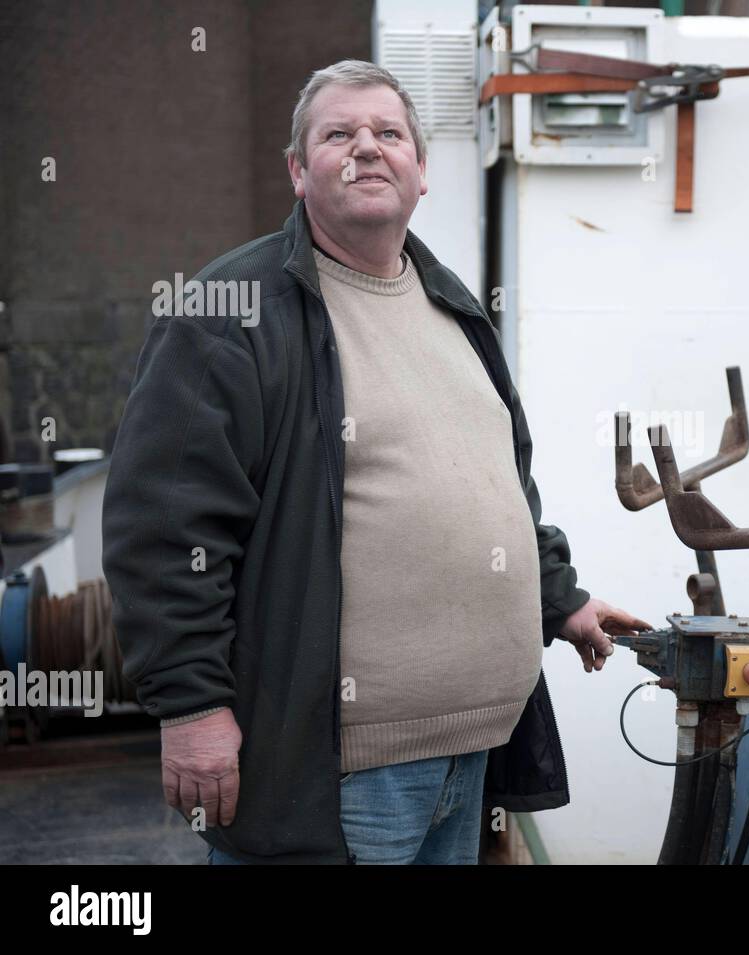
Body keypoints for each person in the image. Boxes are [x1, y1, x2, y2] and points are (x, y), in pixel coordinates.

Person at [101, 60, 650, 865]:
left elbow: (499, 486)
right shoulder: (232, 313)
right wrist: (191, 707)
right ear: (297, 171)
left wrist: (559, 597)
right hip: (337, 774)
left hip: (473, 751)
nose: (366, 148)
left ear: (421, 172)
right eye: (338, 135)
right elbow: (163, 528)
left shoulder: (452, 306)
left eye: (389, 134)